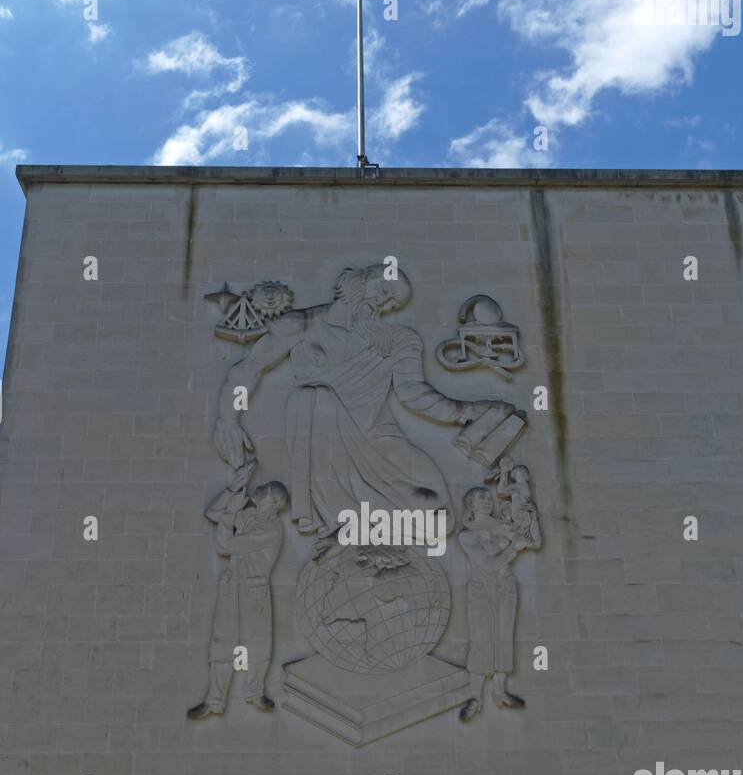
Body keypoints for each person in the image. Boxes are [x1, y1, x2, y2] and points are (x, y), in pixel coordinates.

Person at [212, 263, 514, 536]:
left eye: (391, 301)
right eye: (382, 290)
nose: (382, 302)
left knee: (436, 512)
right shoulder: (301, 325)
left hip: (377, 433)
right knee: (312, 397)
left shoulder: (399, 340)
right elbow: (249, 368)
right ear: (358, 282)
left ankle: (372, 531)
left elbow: (415, 394)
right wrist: (228, 419)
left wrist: (472, 410)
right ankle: (340, 524)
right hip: (322, 435)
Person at [187, 464, 288, 719]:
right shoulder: (246, 517)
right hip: (231, 587)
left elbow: (226, 543)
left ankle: (255, 692)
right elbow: (213, 513)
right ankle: (215, 700)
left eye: (264, 489)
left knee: (257, 643)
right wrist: (233, 489)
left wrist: (226, 519)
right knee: (222, 642)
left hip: (254, 590)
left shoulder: (272, 528)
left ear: (273, 501)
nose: (259, 488)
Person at [457, 485, 526, 722]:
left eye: (488, 497)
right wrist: (512, 547)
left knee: (504, 636)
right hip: (480, 591)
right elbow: (487, 564)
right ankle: (475, 697)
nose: (487, 501)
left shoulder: (505, 526)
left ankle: (500, 692)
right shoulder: (467, 535)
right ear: (471, 505)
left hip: (505, 588)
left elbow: (532, 540)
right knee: (482, 639)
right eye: (480, 498)